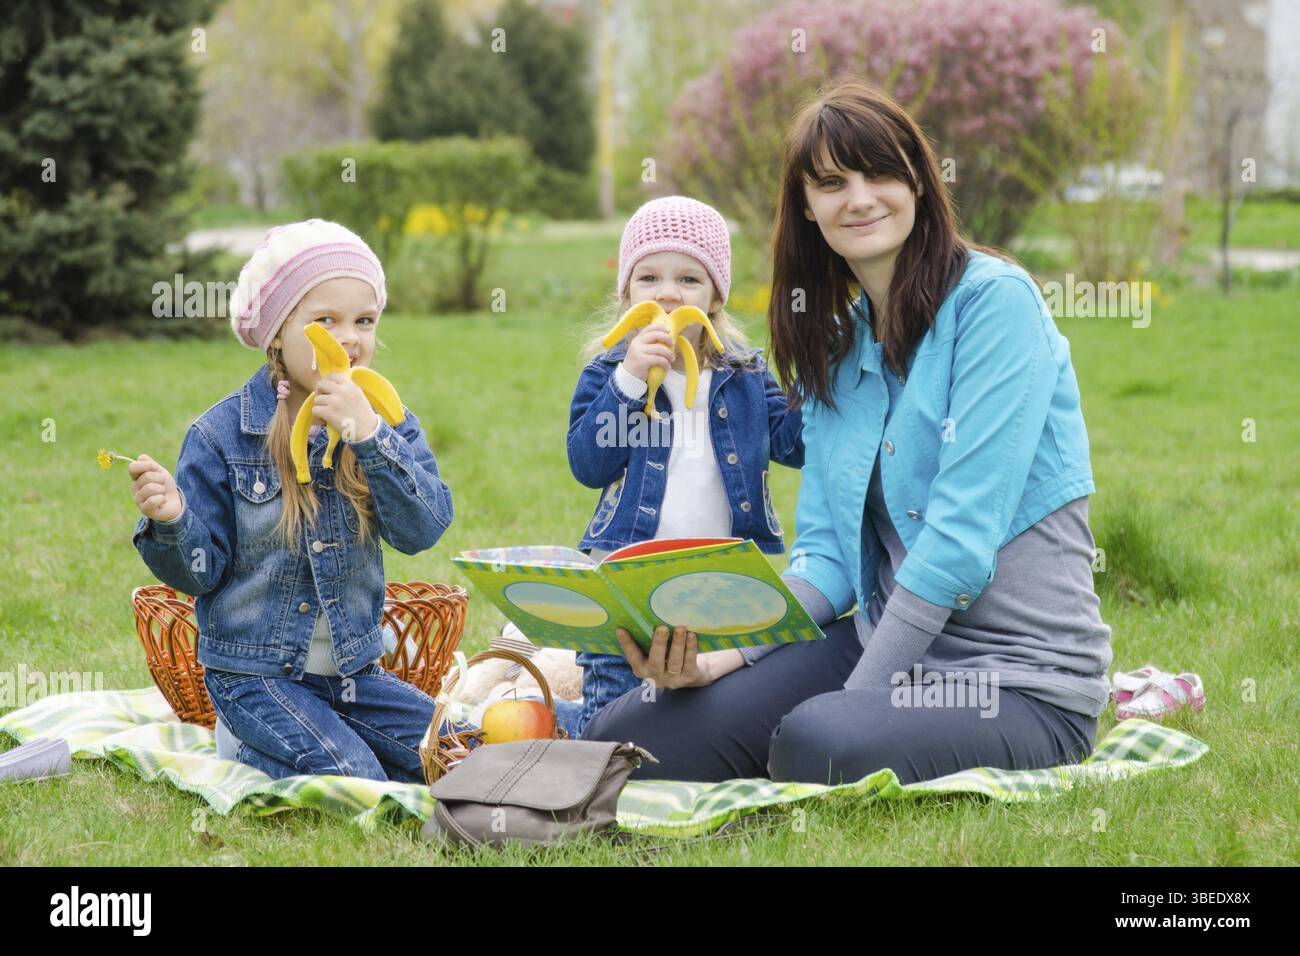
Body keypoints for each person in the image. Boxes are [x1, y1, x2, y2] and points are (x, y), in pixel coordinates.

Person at [582, 81, 1112, 785]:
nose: (859, 198)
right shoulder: (837, 344)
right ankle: (830, 719)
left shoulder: (994, 306)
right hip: (880, 640)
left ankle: (842, 723)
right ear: (807, 207)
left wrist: (857, 693)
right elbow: (827, 557)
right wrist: (724, 659)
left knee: (816, 739)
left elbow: (957, 545)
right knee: (631, 735)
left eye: (880, 172)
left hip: (1013, 678)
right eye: (831, 183)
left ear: (920, 181)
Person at [130, 219, 455, 782]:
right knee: (356, 778)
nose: (349, 338)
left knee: (459, 752)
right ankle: (249, 743)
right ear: (277, 331)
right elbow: (200, 575)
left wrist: (370, 438)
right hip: (254, 675)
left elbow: (422, 528)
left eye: (364, 320)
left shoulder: (384, 421)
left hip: (354, 676)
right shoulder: (221, 435)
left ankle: (304, 740)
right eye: (325, 320)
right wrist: (172, 521)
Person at [555, 195, 804, 739]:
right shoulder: (608, 373)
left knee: (705, 722)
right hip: (628, 587)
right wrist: (629, 380)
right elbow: (588, 463)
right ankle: (576, 733)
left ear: (717, 295)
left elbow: (796, 443)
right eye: (649, 278)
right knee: (613, 726)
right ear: (626, 293)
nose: (668, 292)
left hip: (722, 591)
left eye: (689, 279)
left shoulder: (744, 376)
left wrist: (819, 369)